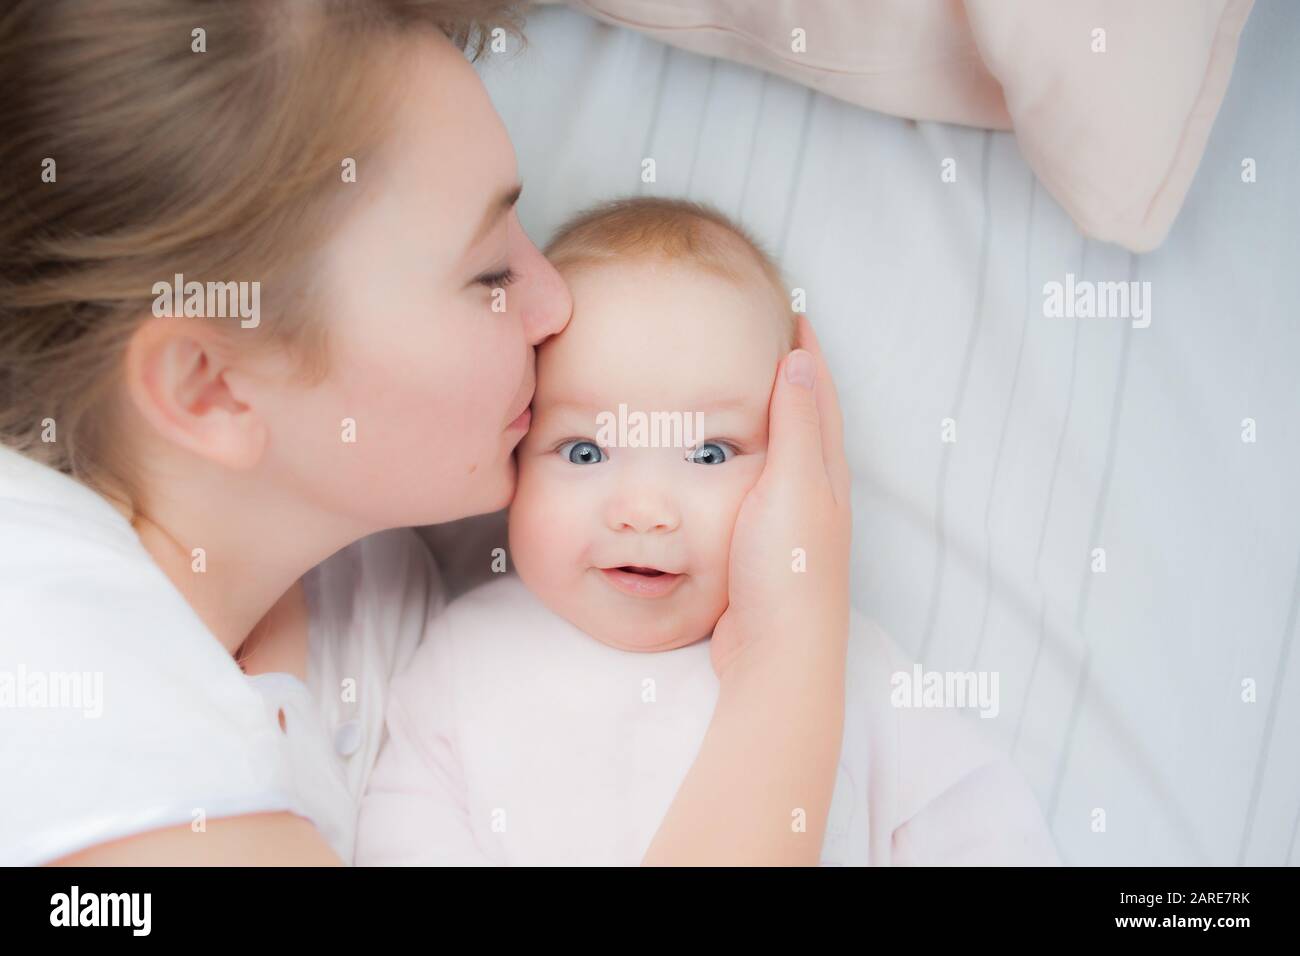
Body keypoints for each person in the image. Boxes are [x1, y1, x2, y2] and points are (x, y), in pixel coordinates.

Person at [0, 0, 851, 865]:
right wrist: (790, 652)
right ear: (211, 387)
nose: (554, 302)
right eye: (488, 273)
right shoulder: (49, 658)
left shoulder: (374, 598)